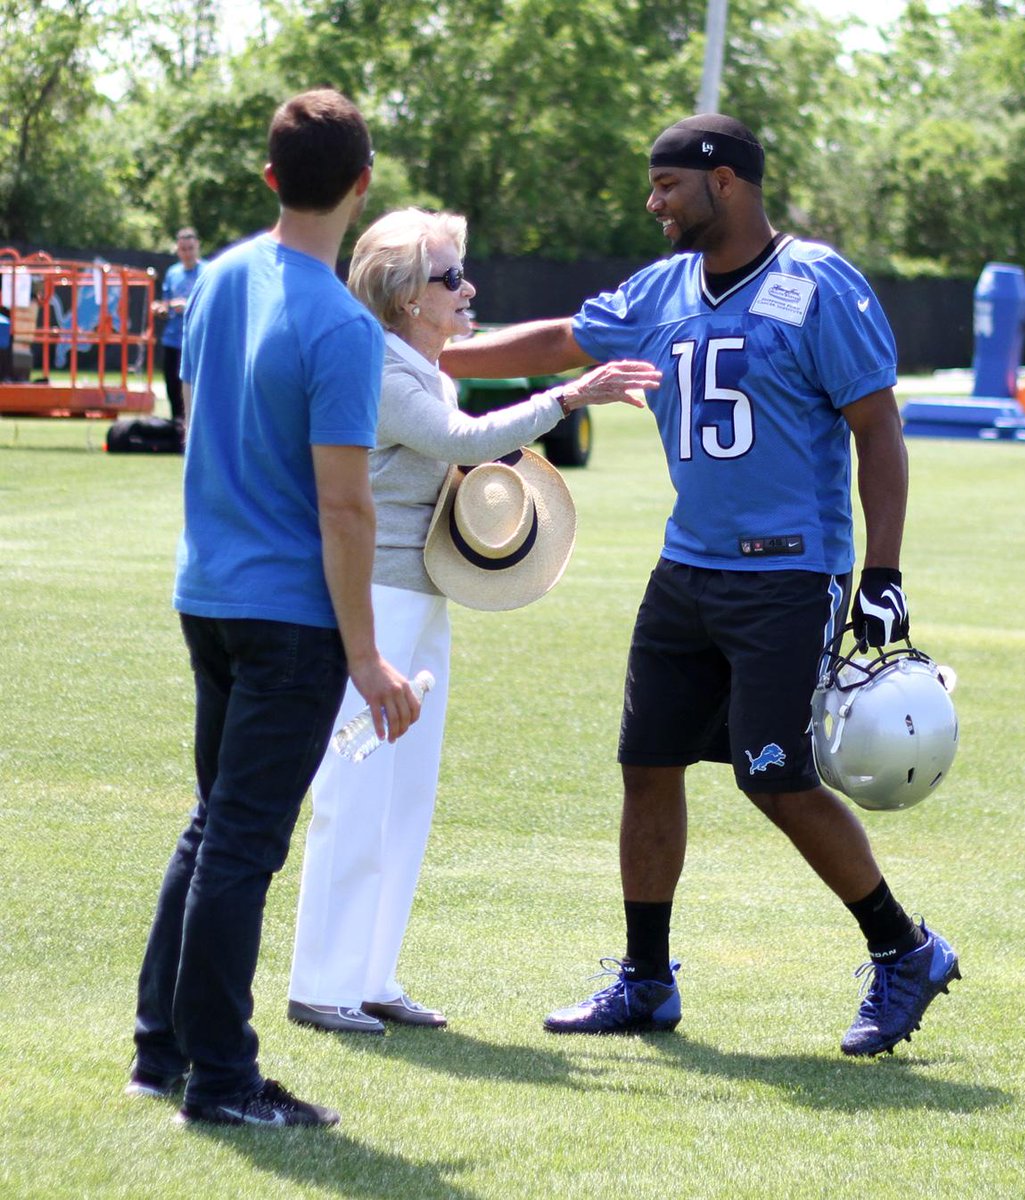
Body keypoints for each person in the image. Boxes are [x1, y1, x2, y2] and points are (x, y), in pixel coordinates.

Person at [440, 114, 960, 1057]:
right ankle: (646, 980)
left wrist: (882, 572)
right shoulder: (665, 286)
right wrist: (434, 356)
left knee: (777, 777)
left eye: (667, 184)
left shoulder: (817, 282)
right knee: (647, 765)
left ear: (725, 182)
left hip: (788, 574)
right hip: (687, 569)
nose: (654, 203)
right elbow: (562, 338)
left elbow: (878, 430)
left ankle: (906, 949)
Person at [125, 89, 422, 1129]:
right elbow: (345, 506)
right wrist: (368, 658)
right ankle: (221, 1081)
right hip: (287, 618)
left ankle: (160, 1053)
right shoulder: (342, 326)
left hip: (206, 593)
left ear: (269, 178)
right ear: (362, 185)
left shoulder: (214, 280)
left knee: (214, 828)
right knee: (243, 845)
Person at [288, 207, 660, 1034]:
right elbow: (461, 440)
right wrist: (570, 394)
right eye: (450, 275)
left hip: (419, 597)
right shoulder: (381, 367)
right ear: (405, 296)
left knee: (405, 795)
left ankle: (372, 976)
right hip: (374, 603)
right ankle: (320, 983)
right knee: (356, 787)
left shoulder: (424, 367)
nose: (468, 287)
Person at [152, 227, 203, 426]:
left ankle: (195, 427)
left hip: (196, 340)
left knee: (195, 388)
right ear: (177, 250)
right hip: (173, 339)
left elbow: (212, 303)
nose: (187, 253)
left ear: (197, 246)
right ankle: (177, 428)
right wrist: (160, 308)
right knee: (173, 387)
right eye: (183, 249)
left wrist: (188, 305)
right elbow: (166, 302)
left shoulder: (207, 271)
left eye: (190, 248)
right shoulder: (173, 273)